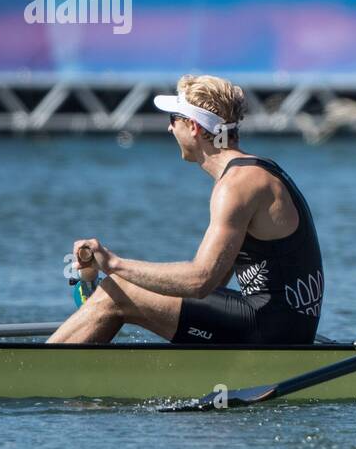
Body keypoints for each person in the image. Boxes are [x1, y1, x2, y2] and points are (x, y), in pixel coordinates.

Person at [48, 75, 324, 345]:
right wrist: (146, 303)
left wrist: (113, 265)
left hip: (273, 331)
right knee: (123, 291)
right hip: (284, 325)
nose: (169, 129)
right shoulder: (256, 170)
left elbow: (201, 282)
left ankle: (37, 371)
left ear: (193, 127)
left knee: (117, 291)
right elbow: (215, 280)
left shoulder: (238, 185)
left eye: (173, 120)